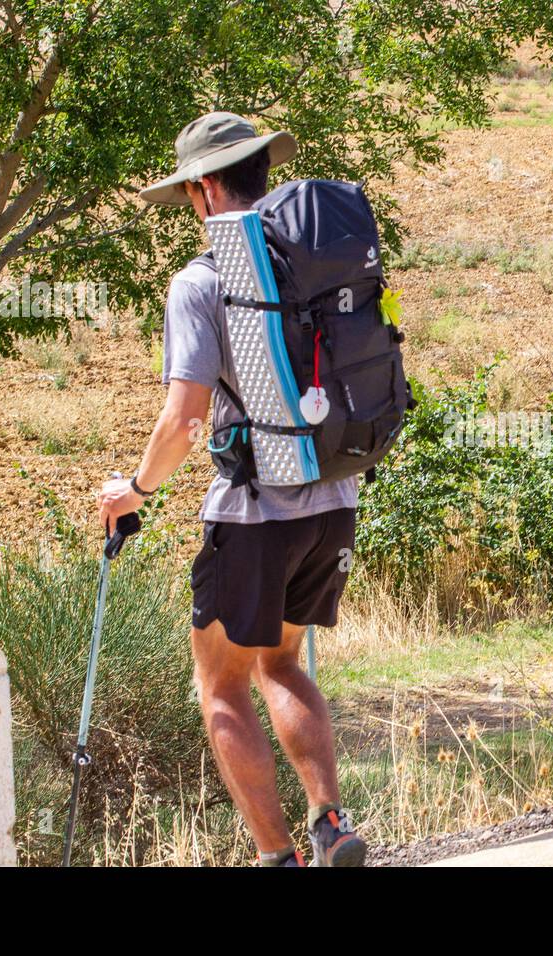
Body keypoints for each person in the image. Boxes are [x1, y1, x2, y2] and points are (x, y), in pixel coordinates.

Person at [96, 111, 366, 867]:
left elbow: (183, 419)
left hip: (254, 513)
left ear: (205, 190)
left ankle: (277, 857)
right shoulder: (312, 260)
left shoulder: (201, 280)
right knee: (282, 663)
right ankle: (332, 823)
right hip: (334, 497)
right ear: (261, 173)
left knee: (221, 686)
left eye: (190, 191)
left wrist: (135, 490)